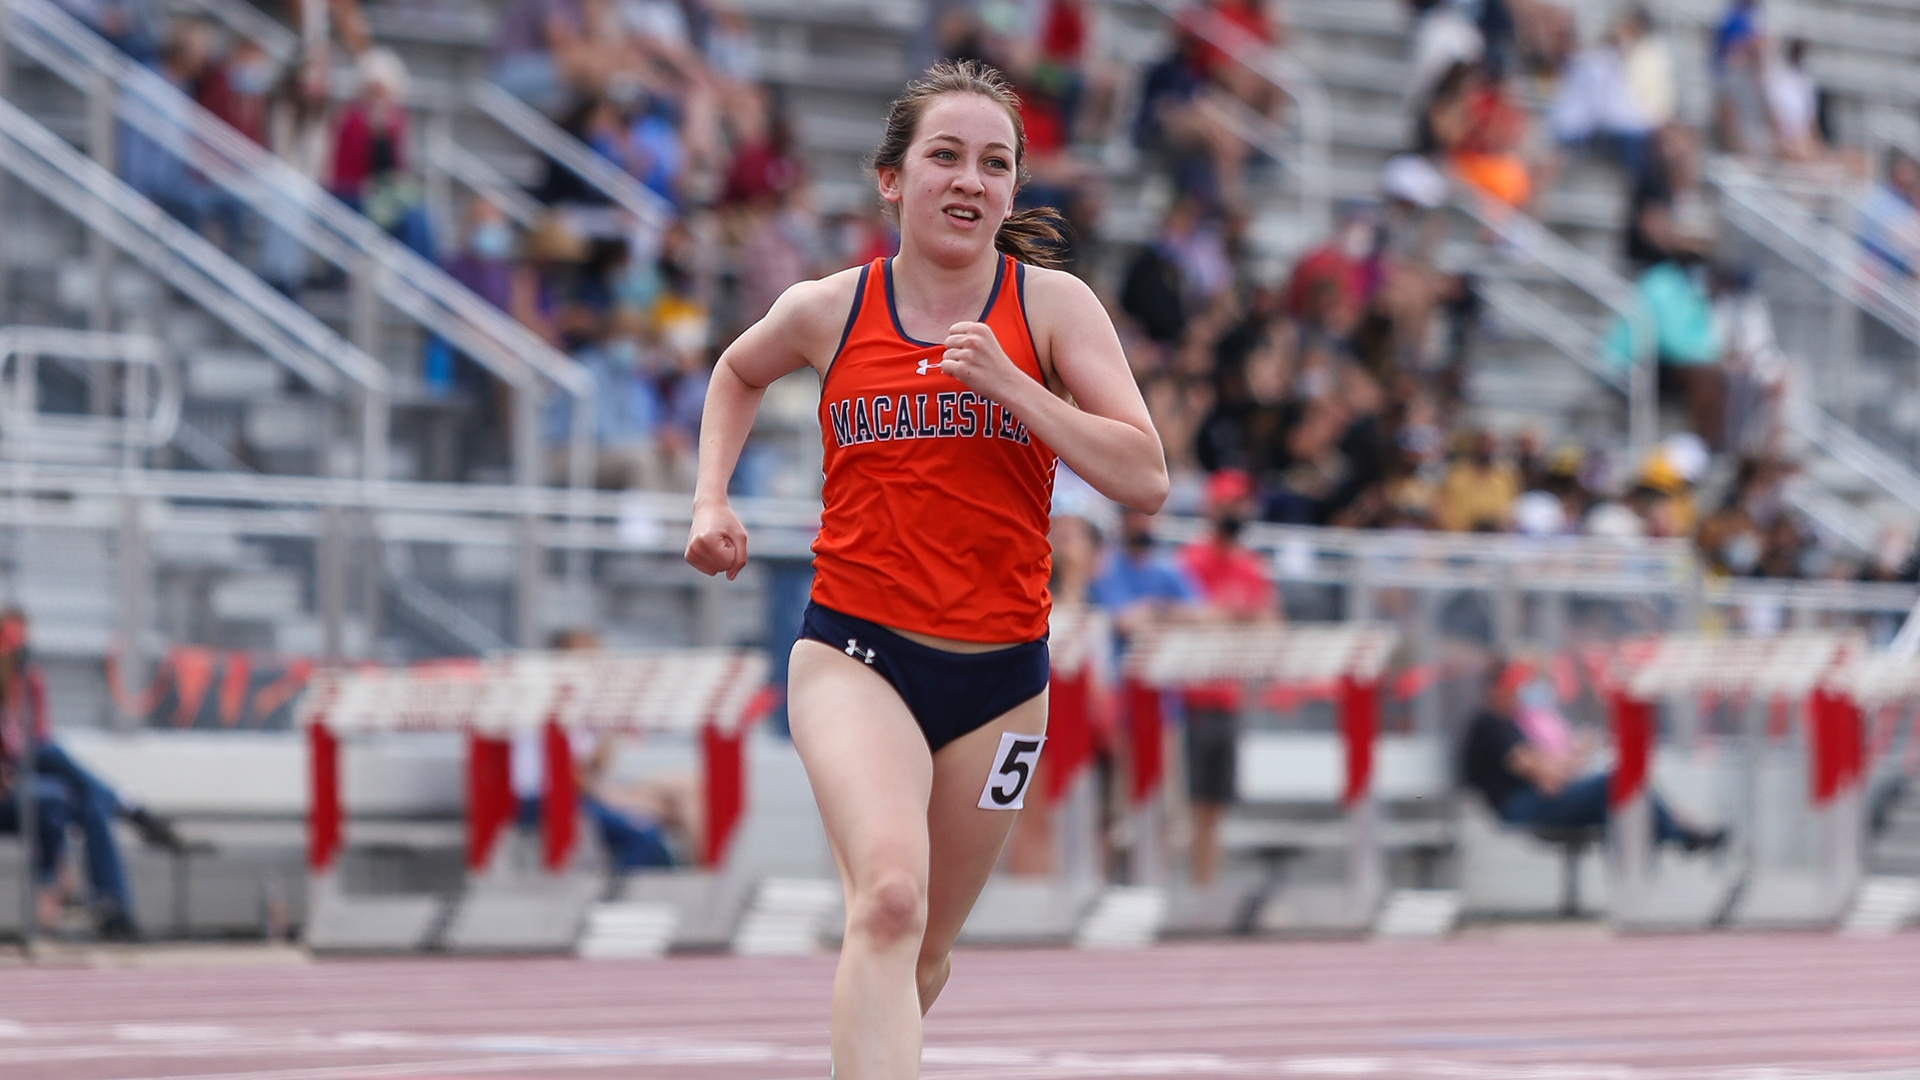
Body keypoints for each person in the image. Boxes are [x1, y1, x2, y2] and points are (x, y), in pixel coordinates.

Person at [684, 60, 1167, 1078]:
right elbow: (735, 370)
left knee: (924, 949)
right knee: (891, 898)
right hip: (858, 652)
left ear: (1012, 190)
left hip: (1001, 680)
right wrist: (711, 501)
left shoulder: (1052, 308)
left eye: (995, 163)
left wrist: (1014, 387)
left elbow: (1145, 474)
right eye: (944, 155)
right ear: (892, 181)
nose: (970, 179)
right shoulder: (828, 307)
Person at [0, 609, 185, 939]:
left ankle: (114, 907)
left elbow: (35, 739)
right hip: (8, 790)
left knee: (88, 799)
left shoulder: (31, 683)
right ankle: (131, 809)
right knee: (57, 773)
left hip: (25, 779)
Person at [1461, 661, 1726, 852]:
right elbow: (1547, 772)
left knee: (1617, 802)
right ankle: (1678, 833)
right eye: (1513, 687)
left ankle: (1673, 835)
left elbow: (1547, 771)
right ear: (1496, 689)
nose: (1519, 693)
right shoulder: (1489, 724)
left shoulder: (1509, 723)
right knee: (1615, 782)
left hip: (1532, 799)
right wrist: (1576, 756)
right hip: (1518, 807)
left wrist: (1556, 770)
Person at [1178, 469, 1277, 886]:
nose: (1238, 513)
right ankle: (1191, 885)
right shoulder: (1191, 561)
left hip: (1226, 696)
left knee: (1214, 805)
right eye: (1230, 504)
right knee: (1191, 804)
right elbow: (1192, 619)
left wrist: (1229, 619)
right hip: (1189, 699)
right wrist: (1236, 619)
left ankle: (1205, 886)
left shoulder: (1251, 565)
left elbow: (1270, 625)